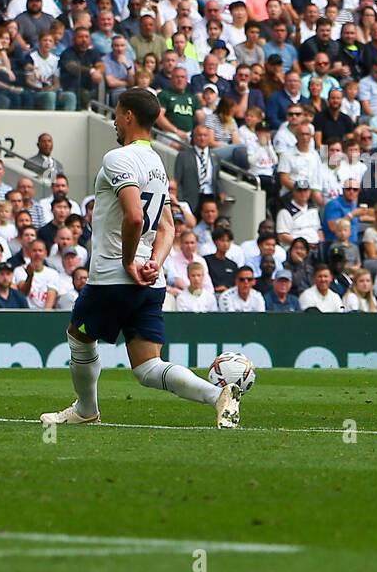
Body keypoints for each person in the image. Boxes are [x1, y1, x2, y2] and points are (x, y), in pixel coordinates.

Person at [40, 88, 242, 430]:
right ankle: (217, 395)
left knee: (79, 335)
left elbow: (135, 217)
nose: (114, 121)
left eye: (117, 114)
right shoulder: (157, 163)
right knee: (147, 366)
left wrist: (131, 260)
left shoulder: (118, 158)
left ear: (128, 116)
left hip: (114, 276)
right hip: (151, 282)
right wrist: (156, 263)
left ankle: (86, 410)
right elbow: (167, 226)